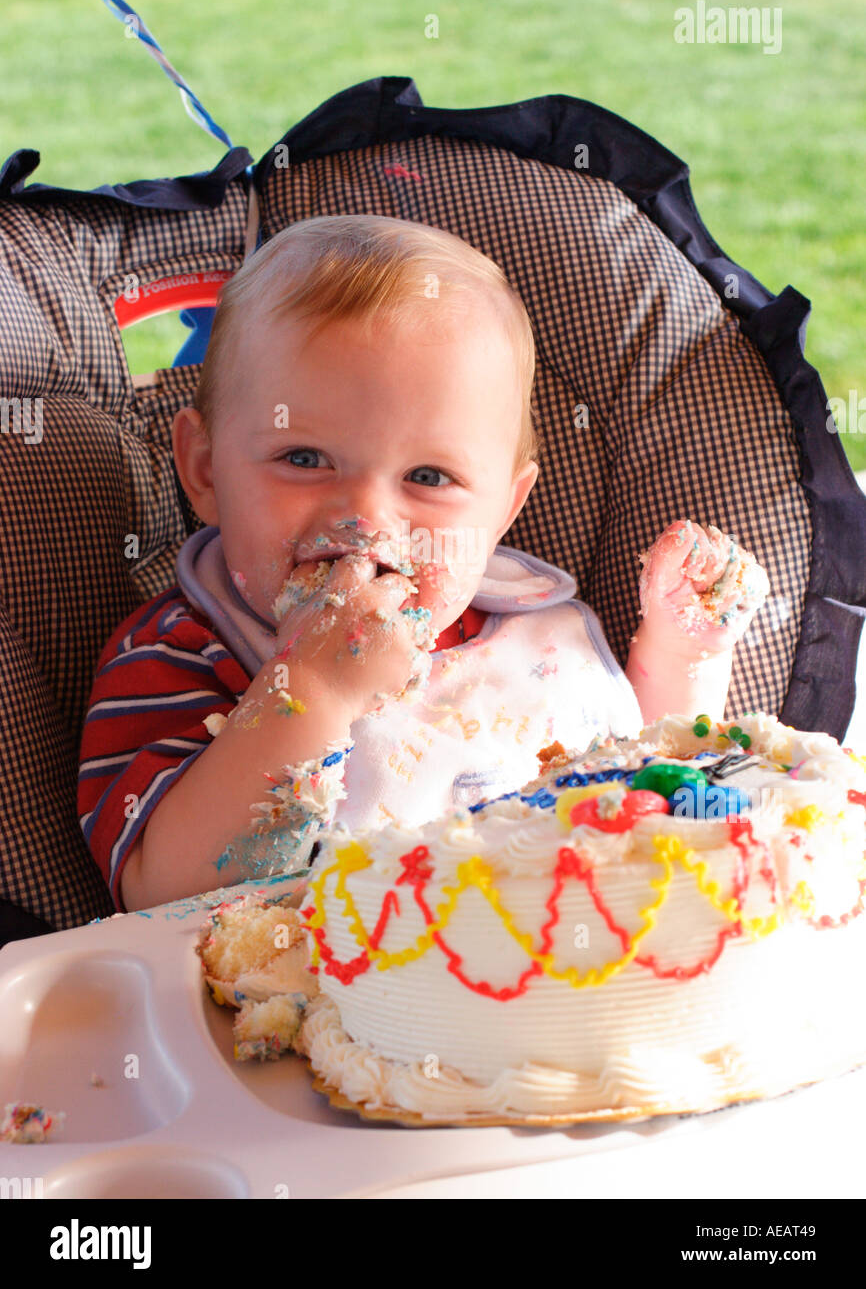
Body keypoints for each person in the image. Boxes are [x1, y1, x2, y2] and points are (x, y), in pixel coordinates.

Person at [78, 214, 768, 912]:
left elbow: (655, 789)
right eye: (305, 458)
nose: (367, 519)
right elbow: (162, 895)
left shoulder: (543, 635)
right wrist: (313, 686)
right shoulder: (185, 654)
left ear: (504, 507)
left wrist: (684, 659)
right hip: (333, 1008)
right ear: (204, 470)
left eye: (430, 477)